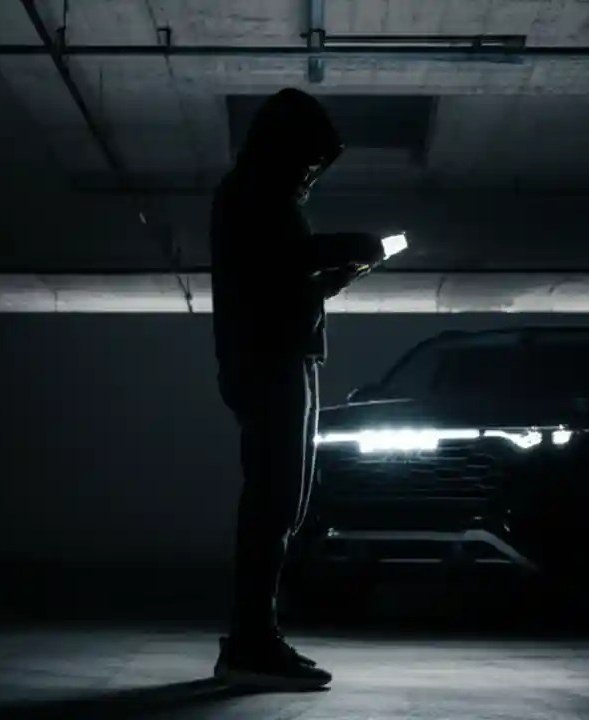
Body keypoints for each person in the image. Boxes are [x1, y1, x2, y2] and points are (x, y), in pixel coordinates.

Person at [209, 88, 389, 689]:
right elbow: (277, 266)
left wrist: (331, 277)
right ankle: (251, 642)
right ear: (283, 147)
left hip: (280, 358)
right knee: (273, 501)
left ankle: (257, 638)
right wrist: (347, 249)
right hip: (269, 361)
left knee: (283, 502)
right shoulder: (248, 196)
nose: (312, 173)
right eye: (309, 161)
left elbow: (282, 279)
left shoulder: (265, 197)